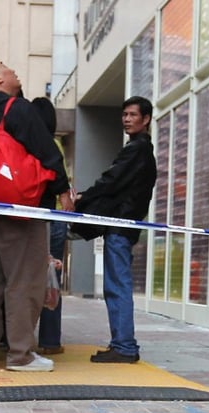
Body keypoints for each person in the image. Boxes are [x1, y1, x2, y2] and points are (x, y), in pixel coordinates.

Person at [0, 60, 73, 372]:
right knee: (23, 283)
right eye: (7, 68)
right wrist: (63, 189)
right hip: (21, 211)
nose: (13, 71)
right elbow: (47, 152)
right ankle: (20, 355)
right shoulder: (19, 109)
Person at [77, 96, 158, 364]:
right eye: (124, 114)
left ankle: (124, 346)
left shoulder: (137, 150)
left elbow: (111, 182)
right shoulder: (141, 149)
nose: (126, 118)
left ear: (145, 119)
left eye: (133, 114)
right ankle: (122, 344)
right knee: (117, 285)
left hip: (120, 227)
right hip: (123, 226)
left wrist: (83, 198)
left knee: (117, 286)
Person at [31, 96, 70, 356]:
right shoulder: (57, 146)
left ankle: (15, 338)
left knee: (24, 279)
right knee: (51, 278)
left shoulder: (30, 143)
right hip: (56, 219)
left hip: (34, 216)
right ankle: (50, 340)